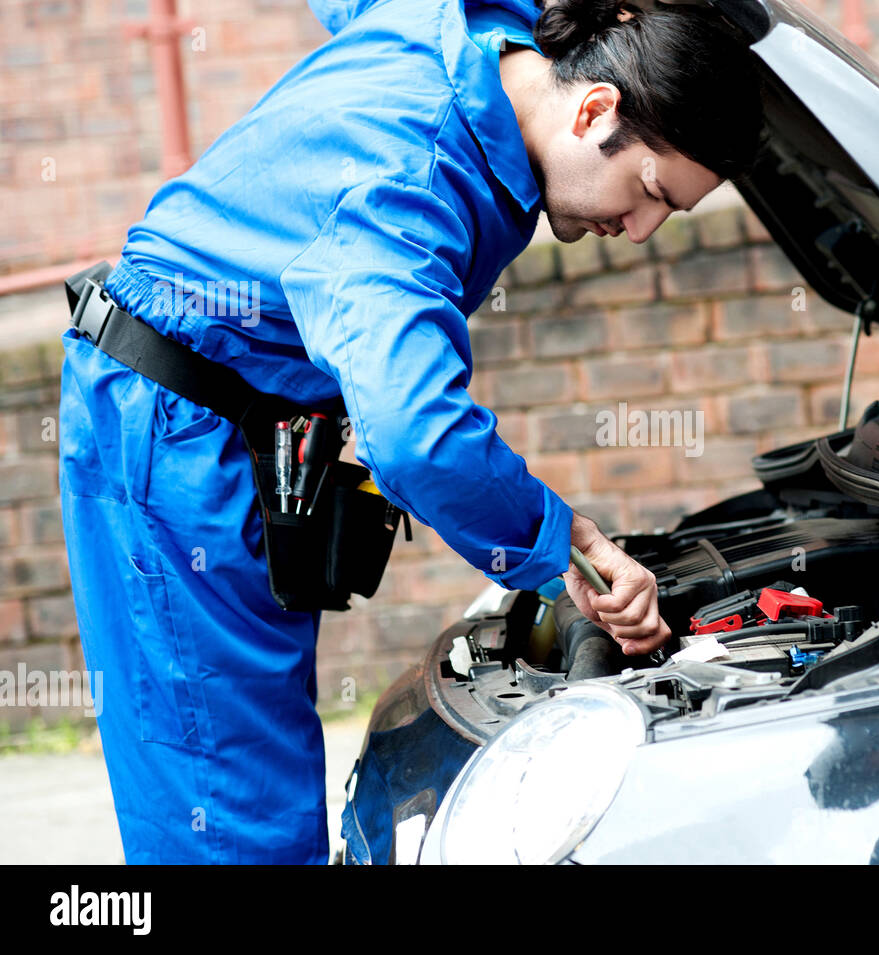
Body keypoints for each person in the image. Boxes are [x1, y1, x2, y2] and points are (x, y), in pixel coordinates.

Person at [58, 0, 763, 863]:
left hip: (211, 408)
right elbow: (418, 433)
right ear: (593, 110)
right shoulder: (414, 183)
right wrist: (564, 543)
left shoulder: (477, 24)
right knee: (229, 806)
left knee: (248, 757)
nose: (643, 229)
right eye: (650, 191)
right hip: (176, 437)